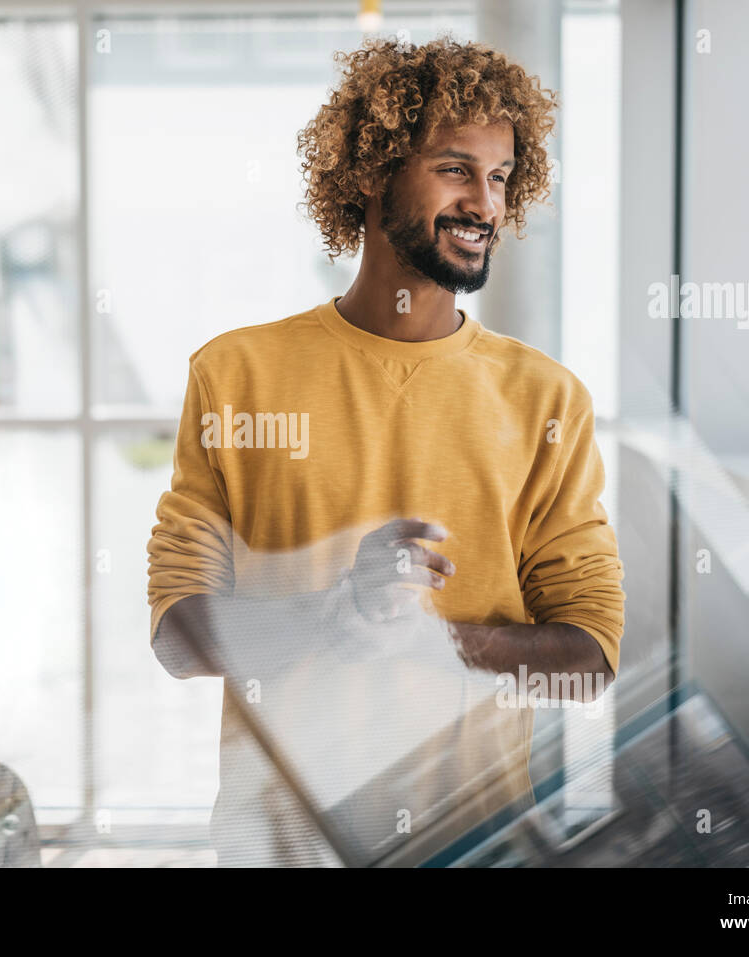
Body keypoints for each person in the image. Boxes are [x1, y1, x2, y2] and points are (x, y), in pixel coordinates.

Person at [147, 35, 625, 866]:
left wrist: (428, 637)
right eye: (454, 168)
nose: (485, 202)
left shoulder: (547, 399)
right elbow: (178, 634)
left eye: (502, 176)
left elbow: (589, 655)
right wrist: (342, 612)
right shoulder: (235, 373)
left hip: (478, 839)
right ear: (371, 172)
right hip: (279, 841)